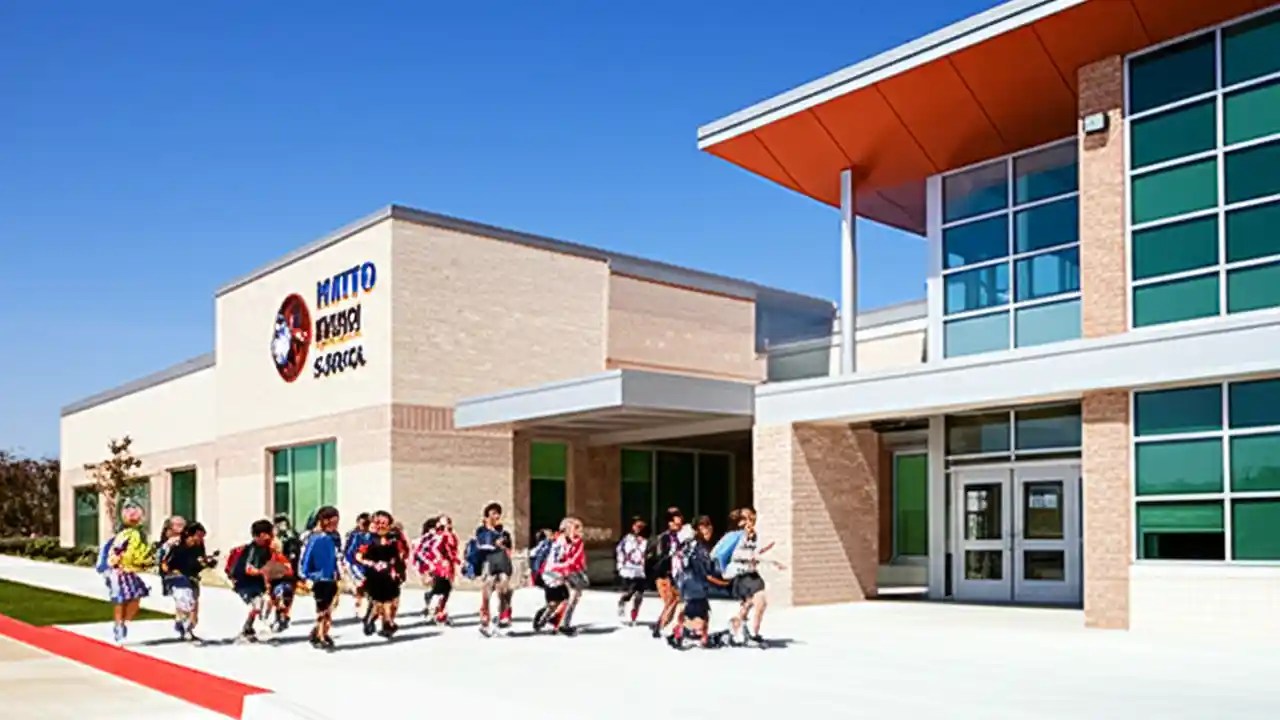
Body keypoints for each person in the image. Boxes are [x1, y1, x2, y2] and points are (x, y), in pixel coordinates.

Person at [668, 516, 729, 650]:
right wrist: (724, 583)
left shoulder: (689, 544)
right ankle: (684, 632)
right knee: (698, 616)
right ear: (699, 529)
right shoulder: (699, 548)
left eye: (710, 529)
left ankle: (693, 634)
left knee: (700, 612)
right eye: (706, 529)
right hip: (695, 585)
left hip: (686, 583)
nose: (709, 532)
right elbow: (707, 572)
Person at [726, 507, 780, 646]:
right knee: (759, 602)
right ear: (739, 523)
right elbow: (737, 555)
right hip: (742, 576)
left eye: (752, 518)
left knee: (750, 604)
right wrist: (759, 558)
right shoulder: (737, 536)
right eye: (746, 519)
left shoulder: (752, 535)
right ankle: (752, 634)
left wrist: (763, 551)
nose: (750, 521)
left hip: (752, 574)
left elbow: (754, 552)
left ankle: (737, 627)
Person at [106, 503, 154, 645]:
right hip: (119, 571)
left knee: (136, 596)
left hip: (130, 571)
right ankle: (119, 625)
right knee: (120, 599)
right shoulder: (124, 534)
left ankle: (122, 623)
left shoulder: (139, 535)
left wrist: (146, 561)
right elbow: (116, 551)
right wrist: (116, 562)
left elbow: (141, 552)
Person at [353, 510, 406, 638]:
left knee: (390, 601)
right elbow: (358, 556)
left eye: (384, 523)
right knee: (377, 602)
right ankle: (370, 620)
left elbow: (399, 555)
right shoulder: (368, 539)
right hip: (374, 575)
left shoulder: (393, 539)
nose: (381, 525)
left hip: (390, 574)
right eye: (378, 523)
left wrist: (397, 569)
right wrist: (371, 564)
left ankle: (387, 625)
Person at [161, 522, 216, 642]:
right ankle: (185, 629)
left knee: (193, 603)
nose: (201, 539)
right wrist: (171, 573)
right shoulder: (176, 546)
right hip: (177, 578)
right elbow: (164, 563)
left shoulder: (199, 546)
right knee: (185, 602)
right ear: (189, 535)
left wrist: (208, 562)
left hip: (192, 577)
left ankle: (184, 626)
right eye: (199, 535)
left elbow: (200, 560)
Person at [300, 506, 343, 650]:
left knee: (329, 608)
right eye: (332, 522)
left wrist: (339, 572)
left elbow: (336, 557)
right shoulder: (314, 538)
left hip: (332, 577)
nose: (335, 525)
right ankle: (320, 635)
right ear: (323, 521)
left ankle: (321, 632)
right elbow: (306, 559)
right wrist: (306, 576)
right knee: (322, 610)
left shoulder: (334, 537)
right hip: (319, 578)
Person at [228, 519, 275, 643]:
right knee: (257, 605)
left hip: (256, 584)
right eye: (269, 533)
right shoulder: (252, 550)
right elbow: (249, 569)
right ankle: (248, 629)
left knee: (262, 604)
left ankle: (250, 627)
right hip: (245, 584)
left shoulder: (266, 548)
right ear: (260, 535)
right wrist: (264, 572)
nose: (271, 536)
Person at [471, 502, 514, 637]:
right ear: (487, 516)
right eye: (493, 514)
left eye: (497, 514)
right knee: (488, 588)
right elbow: (480, 544)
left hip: (502, 561)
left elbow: (508, 547)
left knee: (504, 587)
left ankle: (503, 615)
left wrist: (503, 544)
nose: (496, 516)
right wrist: (492, 543)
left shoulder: (503, 532)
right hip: (488, 561)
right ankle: (485, 618)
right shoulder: (481, 531)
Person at [543, 517, 587, 635]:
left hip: (563, 571)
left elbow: (577, 560)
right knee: (567, 597)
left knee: (569, 596)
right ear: (567, 529)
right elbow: (564, 561)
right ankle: (559, 622)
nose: (579, 531)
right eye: (576, 528)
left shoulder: (575, 542)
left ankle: (555, 620)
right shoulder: (560, 542)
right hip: (555, 572)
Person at [649, 508, 685, 639]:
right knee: (671, 601)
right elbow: (662, 557)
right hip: (664, 574)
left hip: (675, 574)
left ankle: (661, 625)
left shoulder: (679, 537)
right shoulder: (665, 538)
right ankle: (659, 626)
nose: (679, 525)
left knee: (675, 601)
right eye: (676, 523)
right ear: (669, 523)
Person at [269, 515, 302, 632]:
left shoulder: (291, 537)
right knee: (277, 595)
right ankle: (281, 616)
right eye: (277, 524)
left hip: (288, 572)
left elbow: (295, 554)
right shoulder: (272, 538)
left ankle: (282, 616)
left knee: (285, 595)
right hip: (275, 572)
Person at [425, 515, 459, 624]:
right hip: (440, 565)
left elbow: (453, 548)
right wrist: (439, 559)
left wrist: (455, 559)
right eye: (443, 524)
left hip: (449, 565)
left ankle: (440, 611)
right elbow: (434, 549)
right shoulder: (439, 536)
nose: (447, 526)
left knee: (447, 589)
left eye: (448, 523)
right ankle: (434, 611)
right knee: (441, 588)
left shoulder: (451, 535)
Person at [615, 516, 648, 626]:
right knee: (629, 593)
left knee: (639, 595)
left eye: (641, 526)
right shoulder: (626, 539)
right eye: (637, 526)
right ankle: (622, 601)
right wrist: (620, 565)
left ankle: (634, 615)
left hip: (640, 571)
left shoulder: (646, 541)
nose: (639, 528)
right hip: (628, 569)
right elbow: (620, 551)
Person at [343, 513, 373, 620]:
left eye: (367, 523)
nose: (365, 526)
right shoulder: (354, 535)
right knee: (361, 585)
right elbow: (348, 551)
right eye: (363, 523)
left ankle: (366, 608)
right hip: (354, 564)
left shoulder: (372, 535)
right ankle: (359, 606)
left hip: (367, 564)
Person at [154, 515, 187, 601]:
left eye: (182, 524)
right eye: (178, 525)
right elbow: (160, 558)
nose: (182, 526)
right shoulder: (169, 543)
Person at [413, 517, 440, 615]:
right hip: (427, 567)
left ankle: (435, 610)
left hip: (438, 566)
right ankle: (430, 608)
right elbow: (418, 553)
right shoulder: (424, 540)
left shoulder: (440, 538)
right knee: (431, 588)